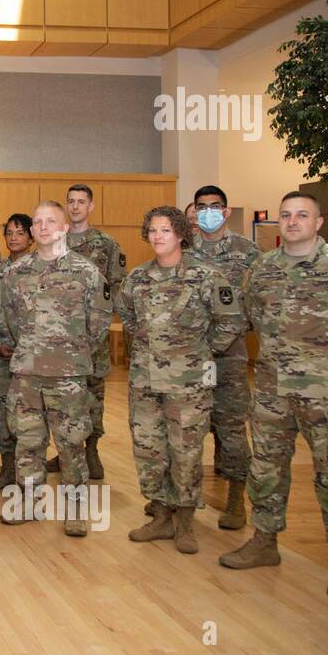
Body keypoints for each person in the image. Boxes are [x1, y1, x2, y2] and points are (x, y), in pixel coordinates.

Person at [220, 192, 328, 600]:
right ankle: (265, 540)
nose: (292, 222)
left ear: (318, 222)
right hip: (272, 388)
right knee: (266, 468)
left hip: (325, 393)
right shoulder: (263, 268)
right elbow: (252, 314)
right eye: (286, 215)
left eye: (302, 215)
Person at [117, 206, 245, 553]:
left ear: (180, 235)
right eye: (153, 230)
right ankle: (161, 516)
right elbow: (126, 313)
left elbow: (230, 321)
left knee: (186, 451)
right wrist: (146, 343)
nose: (157, 237)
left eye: (165, 230)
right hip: (145, 381)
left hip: (189, 384)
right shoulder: (138, 278)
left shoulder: (206, 277)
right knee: (149, 449)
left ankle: (186, 522)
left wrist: (201, 351)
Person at [0, 201, 110, 537]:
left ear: (64, 228)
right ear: (33, 231)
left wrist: (71, 354)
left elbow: (98, 323)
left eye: (51, 221)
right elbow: (11, 319)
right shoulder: (16, 272)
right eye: (38, 222)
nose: (43, 227)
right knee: (28, 441)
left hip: (68, 375)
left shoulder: (86, 272)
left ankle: (75, 509)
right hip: (27, 373)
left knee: (72, 444)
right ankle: (30, 503)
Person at [187, 184, 261, 529]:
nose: (208, 212)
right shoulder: (183, 250)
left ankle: (235, 500)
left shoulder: (248, 253)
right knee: (185, 426)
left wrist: (235, 329)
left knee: (230, 426)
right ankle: (182, 498)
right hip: (188, 357)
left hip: (229, 357)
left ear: (226, 211)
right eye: (201, 206)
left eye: (214, 206)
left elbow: (261, 302)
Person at [55, 183, 126, 480]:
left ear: (91, 206)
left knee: (93, 396)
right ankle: (64, 452)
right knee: (61, 398)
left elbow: (116, 287)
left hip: (92, 337)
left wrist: (100, 322)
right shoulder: (55, 240)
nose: (75, 206)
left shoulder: (106, 244)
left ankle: (92, 450)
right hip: (60, 337)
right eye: (70, 201)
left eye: (81, 202)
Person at [0, 213, 34, 489]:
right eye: (9, 233)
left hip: (32, 359)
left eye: (20, 233)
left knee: (30, 418)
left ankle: (28, 471)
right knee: (1, 413)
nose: (14, 238)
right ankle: (7, 467)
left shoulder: (40, 272)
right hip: (0, 357)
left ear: (31, 237)